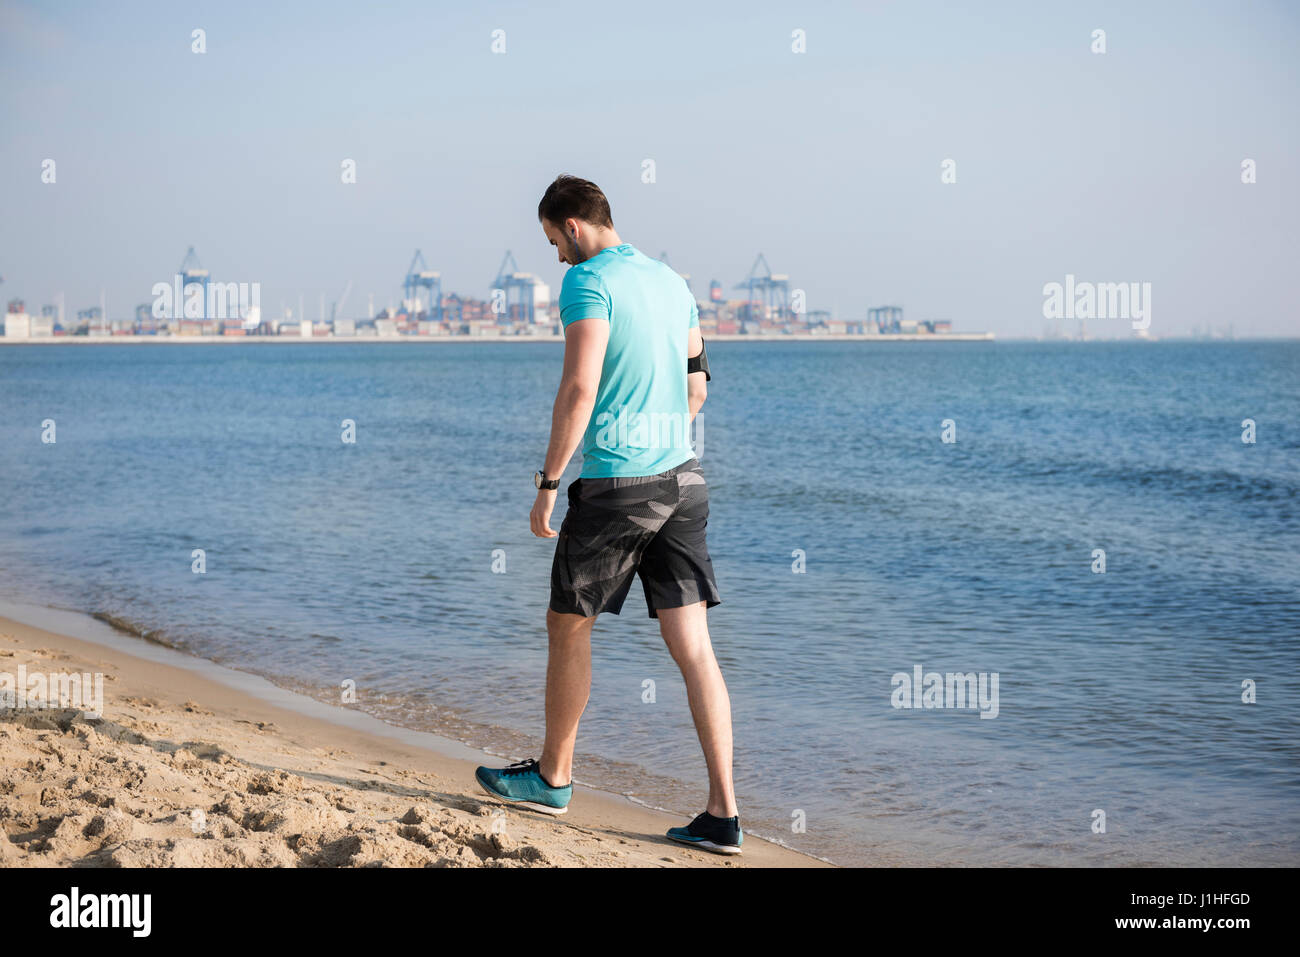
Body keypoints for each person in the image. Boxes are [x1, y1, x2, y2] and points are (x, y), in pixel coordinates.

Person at [475, 174, 742, 855]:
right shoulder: (673, 281)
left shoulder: (587, 281)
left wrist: (548, 482)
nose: (556, 257)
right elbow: (697, 386)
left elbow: (580, 384)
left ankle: (554, 777)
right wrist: (664, 443)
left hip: (619, 484)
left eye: (551, 242)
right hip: (684, 480)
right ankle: (722, 814)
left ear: (571, 226)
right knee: (694, 648)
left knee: (567, 622)